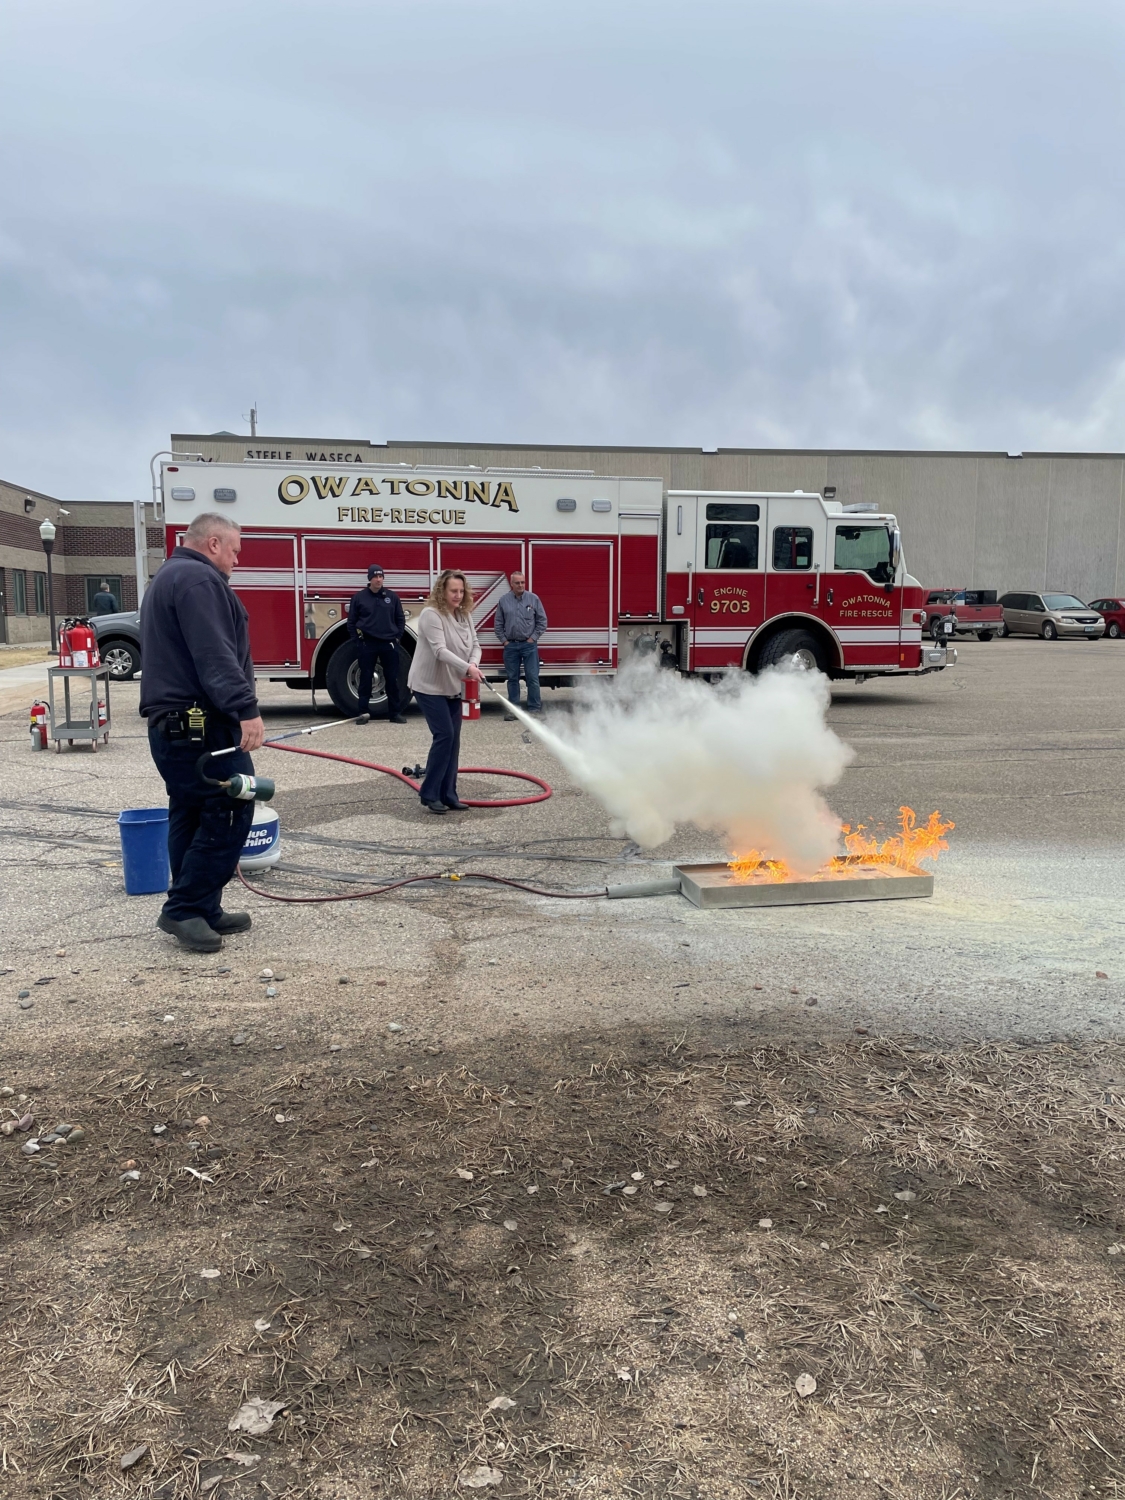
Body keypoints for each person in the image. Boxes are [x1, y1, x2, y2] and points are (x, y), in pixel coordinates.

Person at [139, 513, 264, 953]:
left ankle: (202, 905)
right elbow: (215, 654)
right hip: (200, 721)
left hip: (177, 723)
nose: (236, 559)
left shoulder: (170, 577)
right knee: (232, 803)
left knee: (191, 810)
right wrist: (246, 710)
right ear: (213, 543)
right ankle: (185, 908)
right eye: (234, 550)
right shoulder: (199, 580)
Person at [407, 569, 482, 814]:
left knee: (454, 740)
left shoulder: (464, 615)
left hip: (452, 685)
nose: (458, 595)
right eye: (453, 591)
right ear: (442, 590)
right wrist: (467, 667)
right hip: (428, 686)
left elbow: (476, 645)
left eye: (461, 591)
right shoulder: (431, 615)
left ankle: (449, 794)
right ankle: (429, 794)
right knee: (445, 735)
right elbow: (439, 650)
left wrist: (473, 664)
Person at [347, 564, 407, 723]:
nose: (379, 579)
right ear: (369, 578)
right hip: (368, 644)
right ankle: (363, 713)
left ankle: (395, 714)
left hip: (389, 644)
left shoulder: (392, 597)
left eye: (381, 576)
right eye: (375, 576)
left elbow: (400, 619)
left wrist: (397, 638)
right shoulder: (359, 598)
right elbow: (351, 622)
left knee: (392, 679)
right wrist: (358, 641)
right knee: (366, 679)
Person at [494, 570, 547, 719]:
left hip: (529, 646)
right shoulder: (504, 600)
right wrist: (504, 641)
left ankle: (535, 710)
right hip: (511, 646)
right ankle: (514, 710)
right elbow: (498, 623)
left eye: (522, 582)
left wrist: (533, 638)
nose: (520, 585)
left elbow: (542, 621)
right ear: (511, 584)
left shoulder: (533, 599)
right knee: (512, 679)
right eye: (517, 583)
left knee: (532, 677)